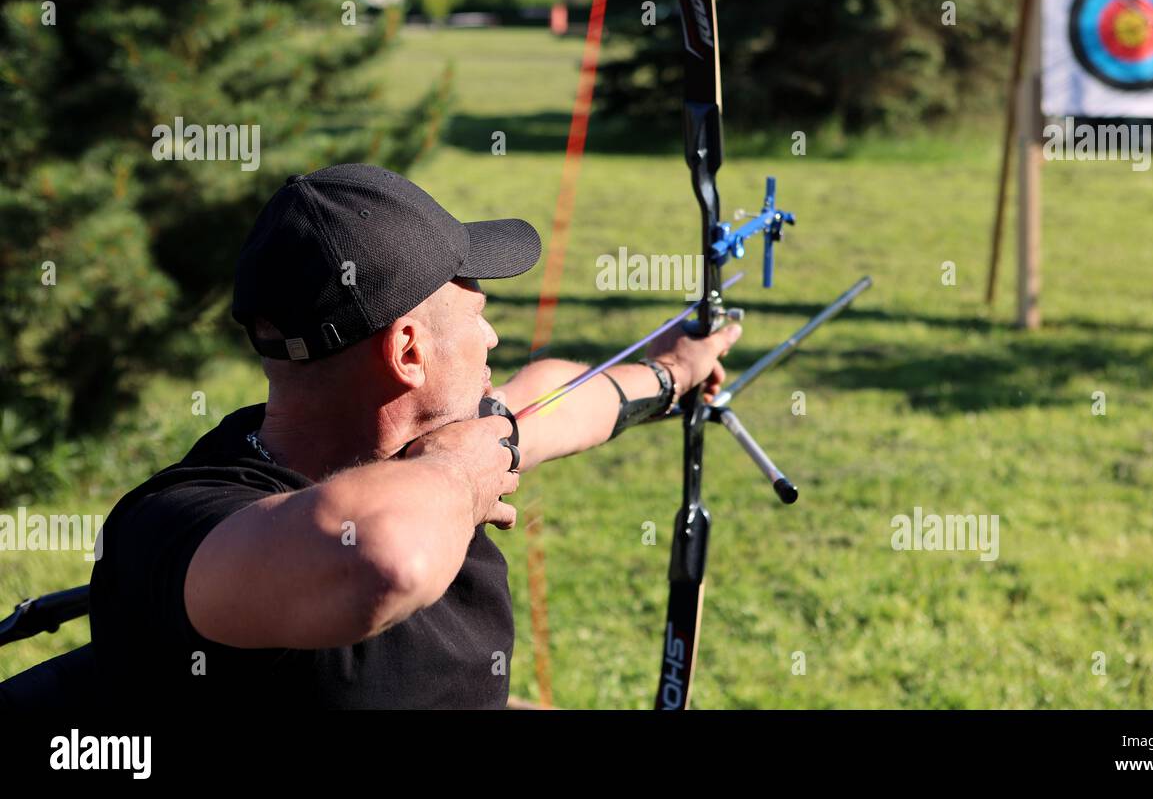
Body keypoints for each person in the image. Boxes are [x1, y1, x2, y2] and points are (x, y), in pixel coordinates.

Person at [89, 164, 741, 707]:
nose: (491, 339)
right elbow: (384, 559)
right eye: (479, 315)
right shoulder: (178, 524)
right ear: (408, 352)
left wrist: (671, 372)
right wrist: (463, 473)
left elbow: (552, 402)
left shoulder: (434, 446)